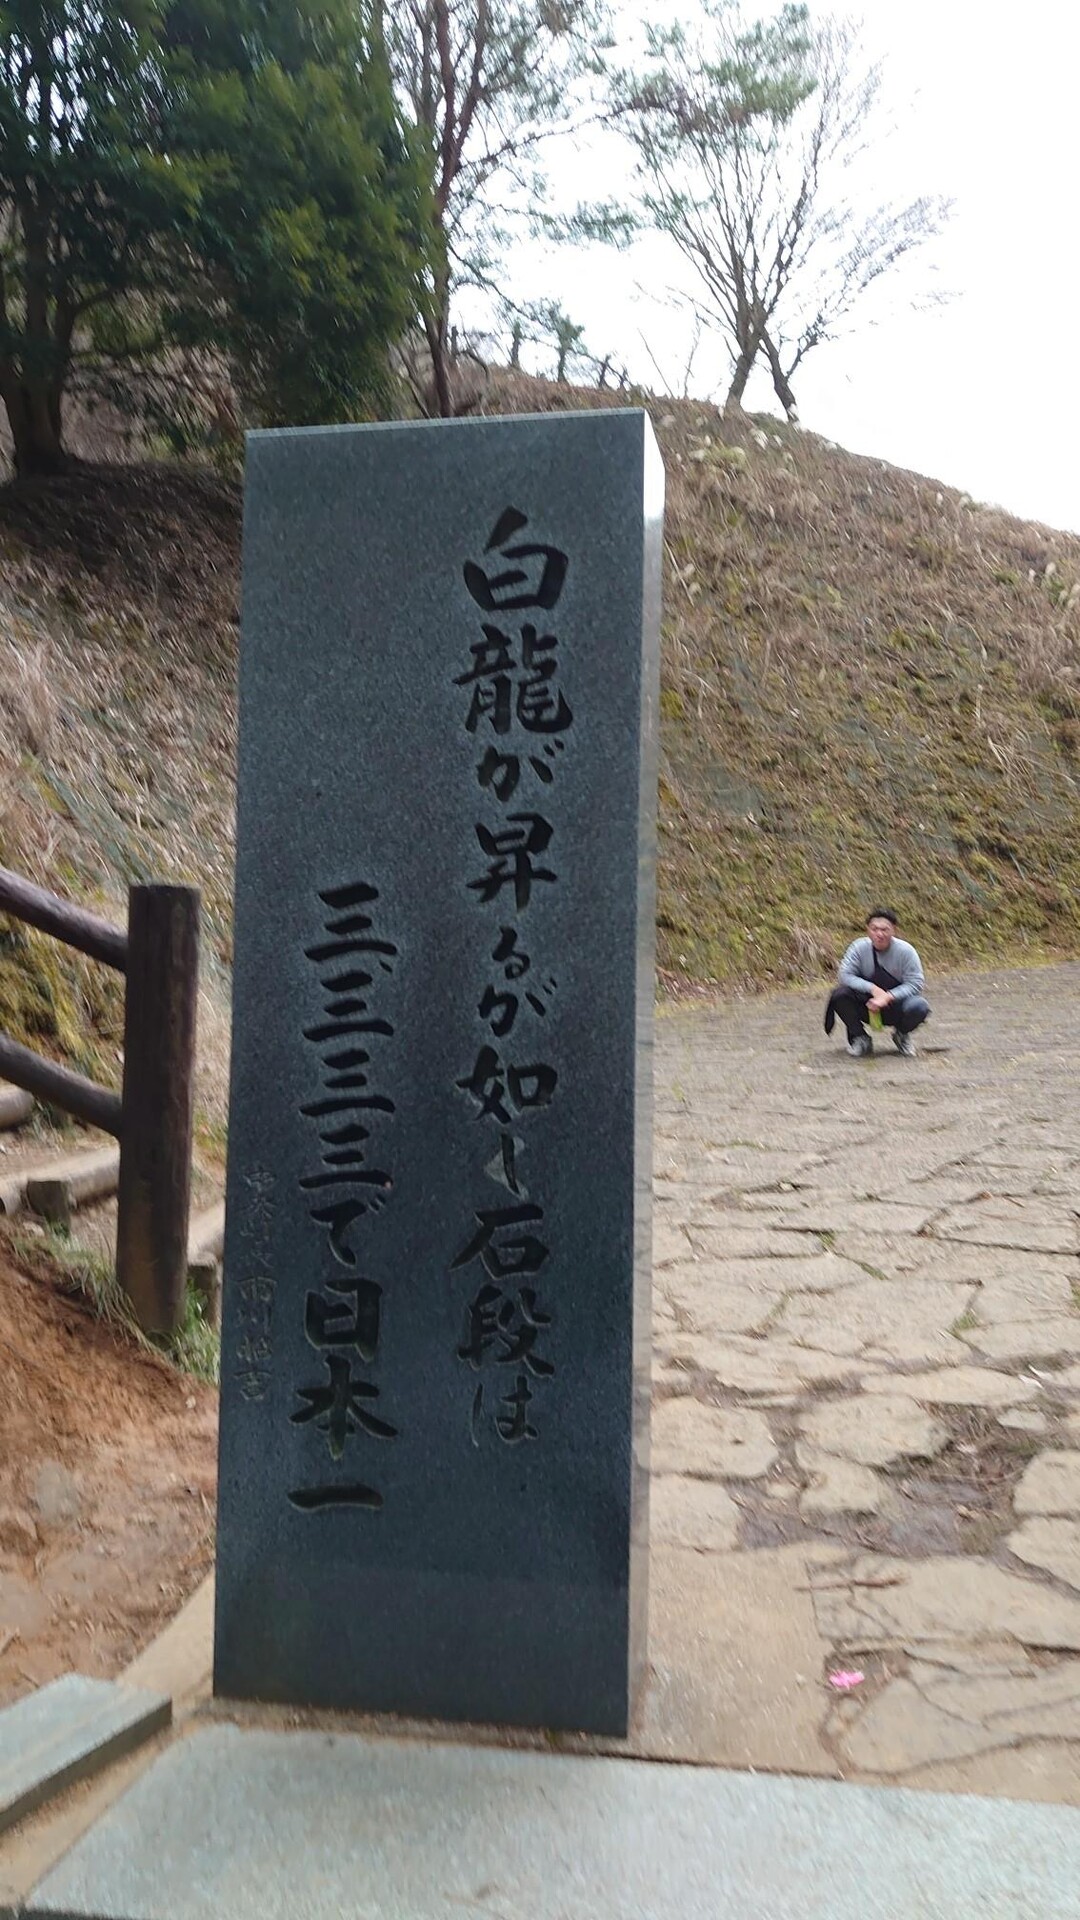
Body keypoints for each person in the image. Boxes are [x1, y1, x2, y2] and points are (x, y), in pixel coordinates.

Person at [824, 908, 930, 1058]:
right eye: (874, 929)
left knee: (920, 1006)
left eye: (885, 929)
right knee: (839, 995)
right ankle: (860, 1038)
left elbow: (915, 983)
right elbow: (845, 975)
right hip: (868, 1005)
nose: (879, 934)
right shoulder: (859, 947)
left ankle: (901, 1035)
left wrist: (888, 996)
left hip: (897, 1005)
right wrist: (873, 989)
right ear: (868, 930)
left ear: (894, 930)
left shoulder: (906, 951)